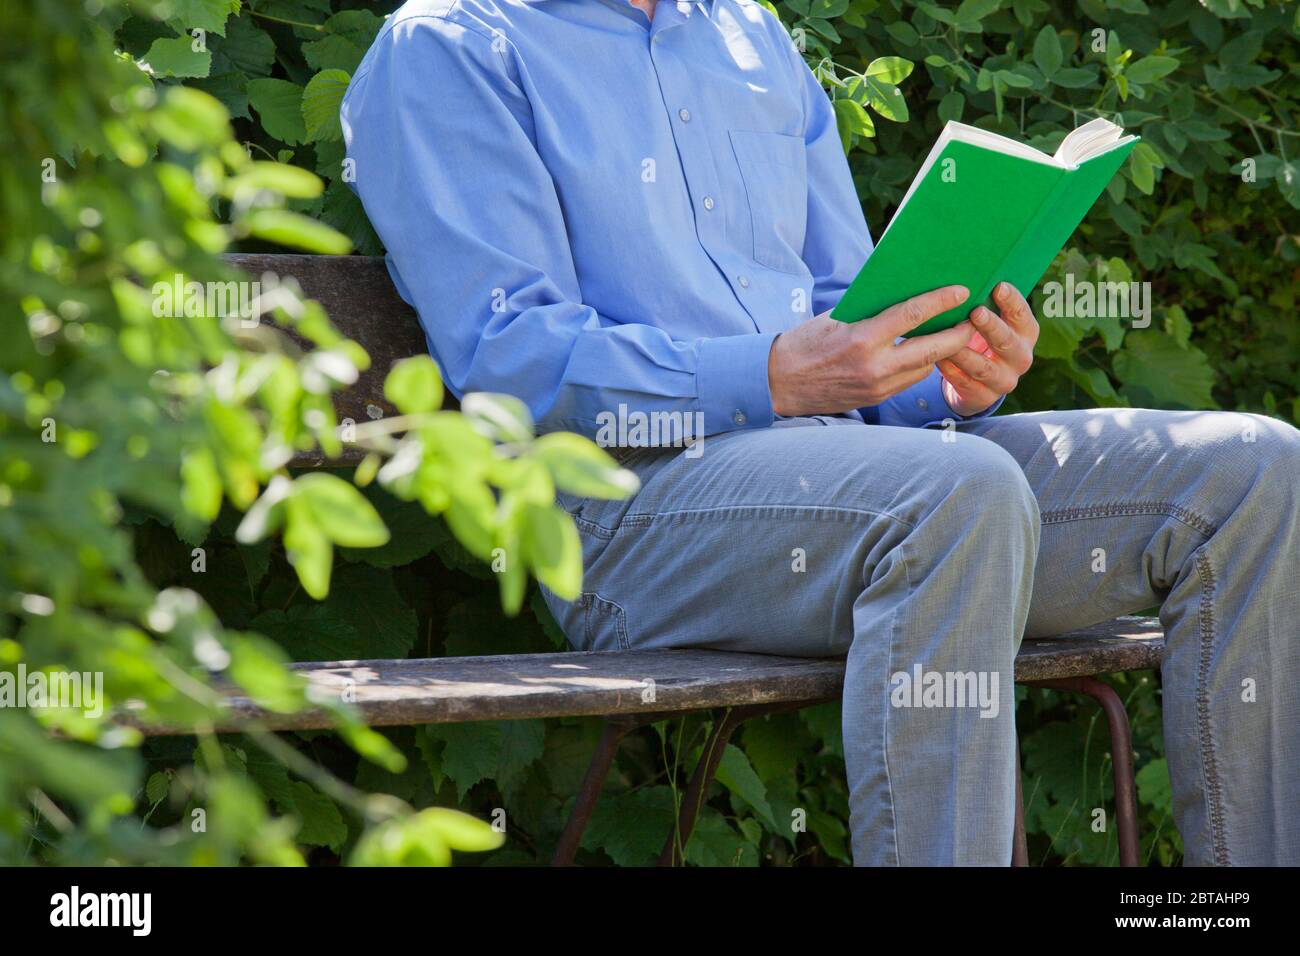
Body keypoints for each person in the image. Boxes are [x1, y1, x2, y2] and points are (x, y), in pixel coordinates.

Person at [341, 0, 1300, 865]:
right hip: (628, 516)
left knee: (1255, 472)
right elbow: (507, 357)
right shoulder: (454, 45)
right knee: (957, 497)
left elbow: (849, 308)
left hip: (869, 483)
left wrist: (952, 374)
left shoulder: (749, 35)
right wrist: (764, 377)